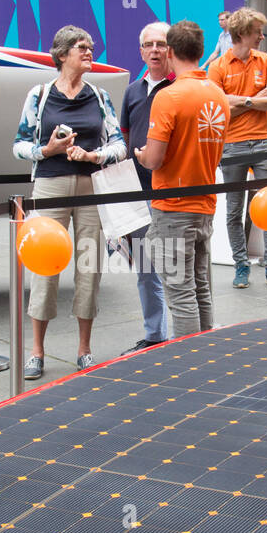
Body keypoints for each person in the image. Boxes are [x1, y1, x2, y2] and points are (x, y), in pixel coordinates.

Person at [12, 25, 126, 380]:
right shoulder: (40, 95)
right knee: (44, 266)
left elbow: (119, 144)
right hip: (49, 185)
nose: (89, 52)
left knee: (89, 265)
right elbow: (18, 144)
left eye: (91, 47)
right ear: (62, 55)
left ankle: (84, 350)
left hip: (92, 186)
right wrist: (48, 150)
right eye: (82, 47)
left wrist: (95, 156)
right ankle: (36, 352)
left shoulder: (100, 95)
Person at [137, 20, 230, 337]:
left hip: (173, 207)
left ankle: (188, 367)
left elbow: (154, 159)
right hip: (204, 205)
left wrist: (139, 154)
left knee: (180, 295)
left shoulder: (169, 97)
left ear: (172, 51)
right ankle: (205, 357)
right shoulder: (217, 94)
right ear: (201, 51)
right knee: (200, 288)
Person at [207, 6, 267, 290]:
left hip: (265, 141)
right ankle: (241, 265)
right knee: (234, 210)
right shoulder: (217, 67)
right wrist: (254, 99)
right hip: (231, 145)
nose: (262, 37)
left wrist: (238, 101)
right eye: (257, 32)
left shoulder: (265, 61)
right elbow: (218, 109)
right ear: (241, 34)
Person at [117, 21, 173, 354]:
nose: (154, 50)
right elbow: (125, 139)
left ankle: (184, 335)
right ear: (141, 51)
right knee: (146, 269)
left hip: (171, 193)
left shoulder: (178, 89)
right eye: (148, 44)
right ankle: (154, 335)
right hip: (138, 194)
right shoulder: (132, 91)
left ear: (172, 49)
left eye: (161, 44)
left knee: (176, 266)